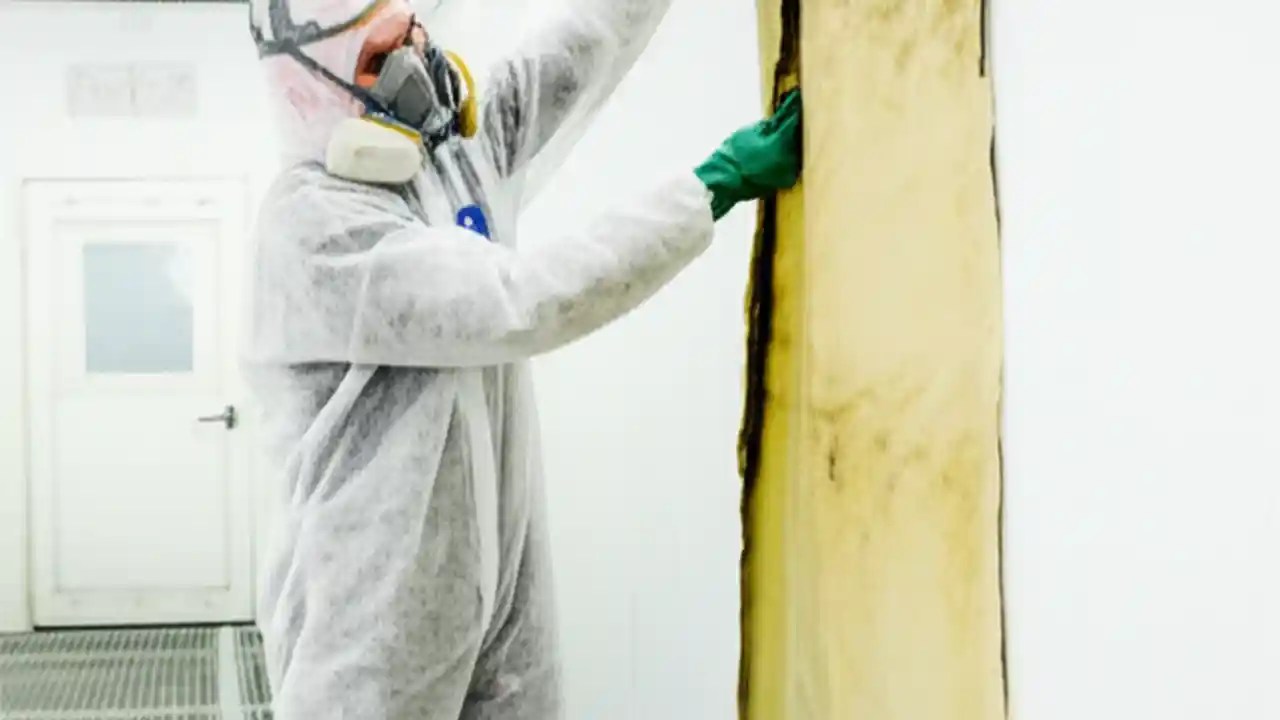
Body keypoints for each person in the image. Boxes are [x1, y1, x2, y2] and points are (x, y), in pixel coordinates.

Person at [242, 0, 802, 717]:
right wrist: (708, 188)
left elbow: (577, 51)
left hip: (495, 592)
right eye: (382, 59)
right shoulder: (313, 225)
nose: (420, 64)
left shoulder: (451, 163)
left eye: (415, 31)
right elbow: (520, 299)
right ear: (310, 92)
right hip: (365, 623)